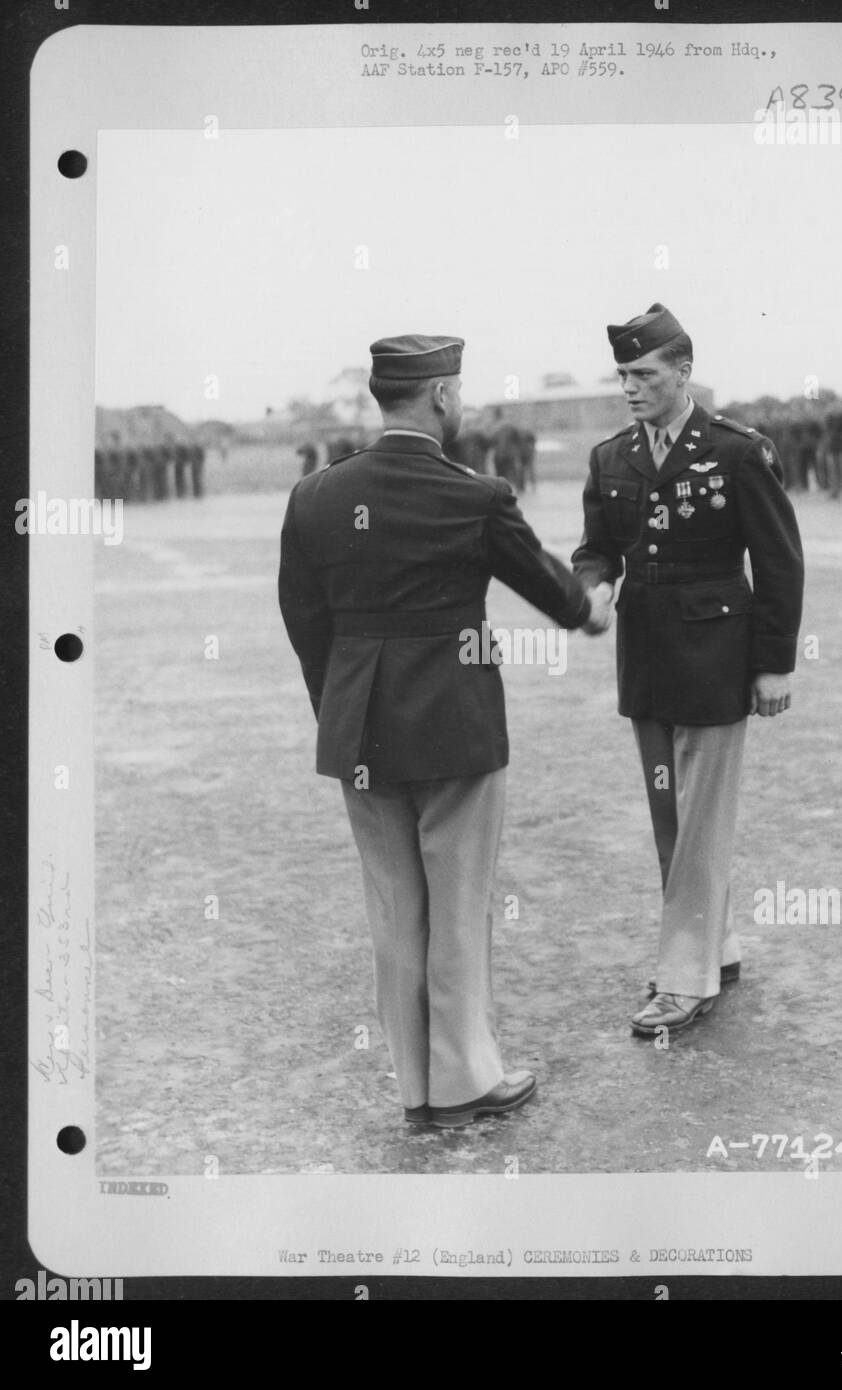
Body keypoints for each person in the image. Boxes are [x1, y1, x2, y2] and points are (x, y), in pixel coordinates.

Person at [279, 333, 605, 1128]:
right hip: (454, 726)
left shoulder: (317, 495)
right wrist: (591, 608)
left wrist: (343, 708)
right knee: (457, 905)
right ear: (442, 397)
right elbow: (554, 594)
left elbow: (302, 617)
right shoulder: (474, 494)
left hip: (360, 728)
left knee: (395, 909)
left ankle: (416, 1088)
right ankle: (465, 1080)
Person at [572, 303, 804, 1037]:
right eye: (623, 377)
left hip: (716, 660)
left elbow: (778, 561)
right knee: (672, 820)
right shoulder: (612, 457)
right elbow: (596, 548)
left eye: (643, 374)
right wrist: (593, 585)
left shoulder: (737, 451)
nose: (631, 388)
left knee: (701, 825)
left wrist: (773, 666)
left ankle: (684, 979)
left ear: (683, 372)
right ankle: (716, 947)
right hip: (644, 657)